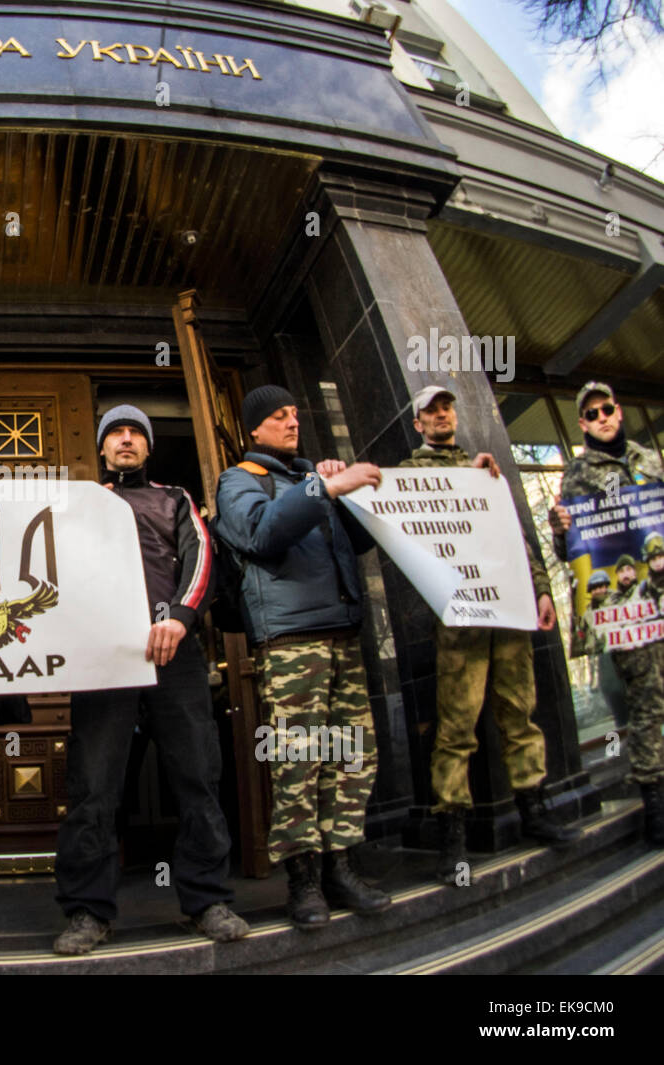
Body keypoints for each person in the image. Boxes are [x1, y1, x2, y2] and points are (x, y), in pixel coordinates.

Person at [51, 405, 246, 954]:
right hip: (103, 655)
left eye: (136, 432)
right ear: (102, 448)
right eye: (116, 433)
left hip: (173, 653)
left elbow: (200, 557)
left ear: (148, 446)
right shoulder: (80, 502)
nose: (127, 440)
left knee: (197, 775)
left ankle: (207, 900)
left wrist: (180, 618)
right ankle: (88, 912)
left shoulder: (176, 498)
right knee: (93, 784)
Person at [214, 385, 390, 929]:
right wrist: (326, 485)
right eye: (276, 416)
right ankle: (303, 881)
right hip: (292, 640)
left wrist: (342, 492)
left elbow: (359, 541)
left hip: (341, 631)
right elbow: (264, 534)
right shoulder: (239, 479)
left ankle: (342, 866)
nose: (292, 423)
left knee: (351, 758)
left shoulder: (310, 477)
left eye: (294, 414)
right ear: (254, 430)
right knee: (300, 763)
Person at [400, 385, 577, 885]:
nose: (441, 415)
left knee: (520, 713)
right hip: (461, 621)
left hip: (510, 611)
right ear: (418, 424)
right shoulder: (412, 475)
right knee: (456, 728)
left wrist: (541, 589)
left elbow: (515, 536)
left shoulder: (485, 471)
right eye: (430, 411)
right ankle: (452, 836)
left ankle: (534, 809)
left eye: (446, 407)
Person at [549, 382, 664, 844]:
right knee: (647, 703)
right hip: (629, 612)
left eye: (608, 408)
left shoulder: (648, 460)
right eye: (592, 413)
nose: (602, 417)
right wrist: (559, 532)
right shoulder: (576, 475)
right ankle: (656, 802)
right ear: (582, 423)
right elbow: (572, 550)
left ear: (619, 410)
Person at [571, 570, 611, 658]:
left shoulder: (617, 603)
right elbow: (580, 636)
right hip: (598, 657)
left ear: (606, 587)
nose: (597, 591)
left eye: (600, 587)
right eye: (594, 589)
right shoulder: (588, 614)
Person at [637, 534, 664, 601]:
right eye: (653, 559)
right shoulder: (645, 587)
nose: (657, 563)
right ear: (648, 562)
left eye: (660, 557)